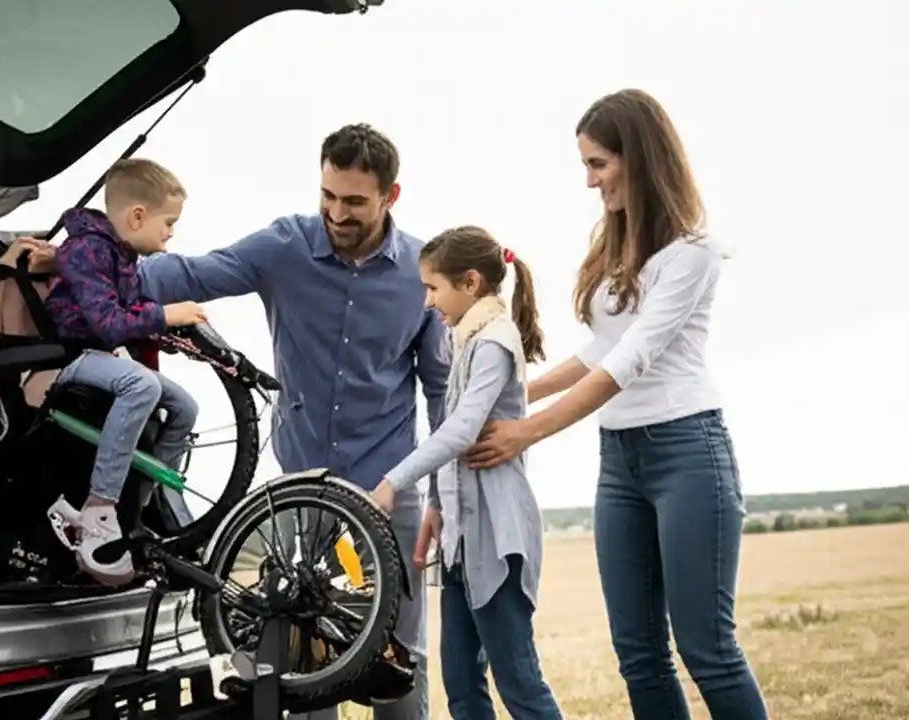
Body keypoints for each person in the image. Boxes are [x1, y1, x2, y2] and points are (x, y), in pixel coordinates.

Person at [464, 89, 771, 720]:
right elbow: (601, 349)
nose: (590, 180)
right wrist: (513, 395)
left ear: (641, 156)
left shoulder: (692, 254)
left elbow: (629, 361)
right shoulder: (616, 252)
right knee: (638, 653)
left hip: (687, 452)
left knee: (707, 649)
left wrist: (527, 431)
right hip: (620, 462)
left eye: (598, 163)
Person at [135, 123, 449, 720]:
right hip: (303, 494)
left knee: (398, 657)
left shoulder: (422, 271)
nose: (337, 213)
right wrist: (84, 263)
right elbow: (193, 273)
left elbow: (440, 391)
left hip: (389, 493)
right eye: (328, 195)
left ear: (391, 196)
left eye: (354, 201)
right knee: (302, 659)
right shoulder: (285, 246)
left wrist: (443, 495)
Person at [369, 226, 563, 720]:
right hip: (460, 541)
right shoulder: (467, 340)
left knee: (519, 683)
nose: (428, 301)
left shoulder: (493, 343)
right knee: (460, 683)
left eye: (433, 288)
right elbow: (453, 438)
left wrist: (393, 483)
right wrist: (436, 505)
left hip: (496, 539)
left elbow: (461, 430)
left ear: (471, 282)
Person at [42, 158, 208, 587]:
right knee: (142, 384)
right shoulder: (89, 251)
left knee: (185, 407)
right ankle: (100, 509)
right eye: (168, 223)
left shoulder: (123, 254)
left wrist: (168, 332)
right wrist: (165, 314)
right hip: (67, 355)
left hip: (100, 354)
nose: (171, 233)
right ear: (137, 216)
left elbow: (131, 314)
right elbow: (110, 324)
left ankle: (141, 504)